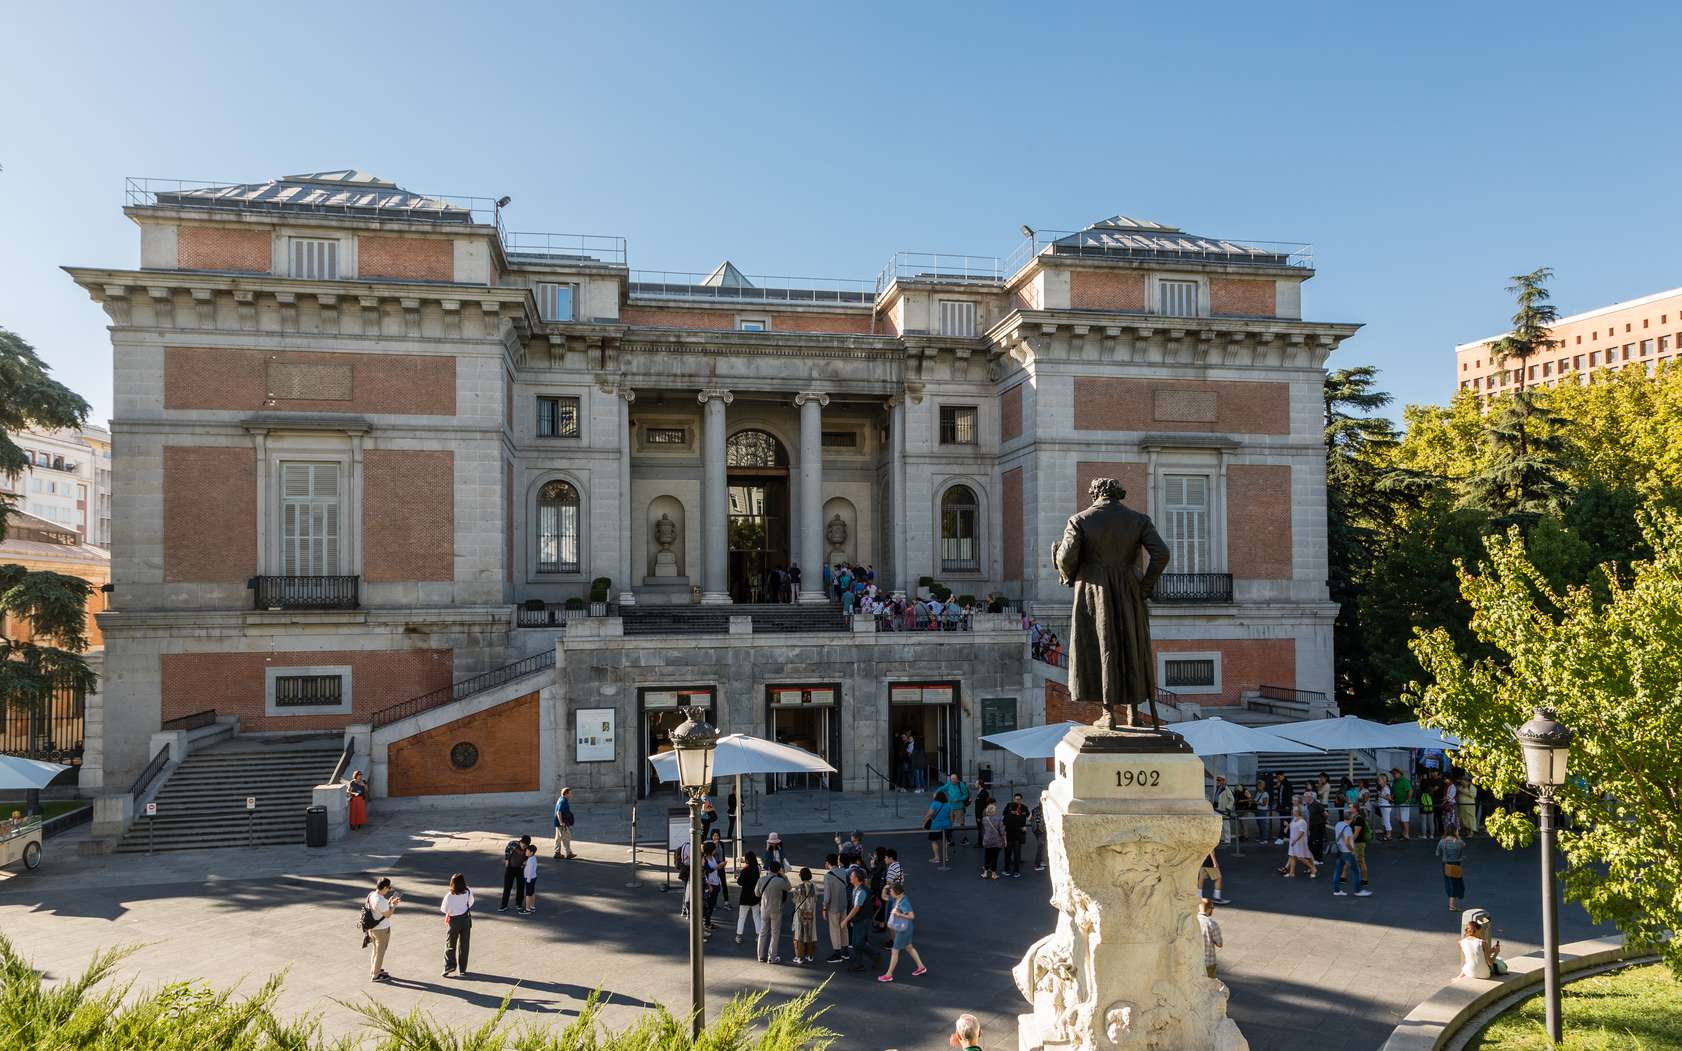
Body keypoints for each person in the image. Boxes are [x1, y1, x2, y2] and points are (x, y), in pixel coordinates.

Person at [878, 880, 928, 981]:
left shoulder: (903, 902)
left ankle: (888, 975)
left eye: (891, 891)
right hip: (906, 928)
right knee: (909, 948)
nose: (890, 893)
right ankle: (921, 967)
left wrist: (898, 914)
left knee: (894, 951)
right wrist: (885, 888)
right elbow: (884, 897)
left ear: (897, 892)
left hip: (903, 930)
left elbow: (911, 916)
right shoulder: (897, 898)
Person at [844, 866, 881, 972]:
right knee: (856, 942)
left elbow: (856, 908)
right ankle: (859, 963)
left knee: (858, 942)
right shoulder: (856, 888)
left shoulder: (861, 891)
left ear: (856, 878)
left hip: (863, 919)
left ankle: (873, 956)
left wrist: (846, 920)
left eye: (851, 875)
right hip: (858, 919)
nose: (849, 877)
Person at [362, 877, 399, 982]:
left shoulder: (372, 895)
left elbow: (380, 909)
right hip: (381, 930)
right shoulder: (380, 900)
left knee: (375, 951)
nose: (389, 890)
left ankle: (375, 969)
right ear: (385, 887)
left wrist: (389, 902)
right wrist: (394, 906)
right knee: (380, 953)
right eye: (389, 888)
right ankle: (376, 975)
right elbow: (387, 914)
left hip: (372, 929)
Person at [1329, 808, 1370, 897]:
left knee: (1338, 870)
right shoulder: (1347, 828)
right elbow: (1347, 842)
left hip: (1340, 851)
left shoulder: (1338, 824)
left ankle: (1336, 890)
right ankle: (1358, 891)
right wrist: (1352, 850)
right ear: (1351, 817)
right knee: (1356, 871)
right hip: (1347, 852)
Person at [756, 860, 791, 964]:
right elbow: (789, 887)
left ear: (769, 869)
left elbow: (756, 893)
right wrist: (784, 876)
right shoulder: (780, 881)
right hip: (776, 909)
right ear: (779, 870)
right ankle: (772, 957)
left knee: (762, 932)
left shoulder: (761, 879)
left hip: (764, 909)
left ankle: (760, 956)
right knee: (775, 934)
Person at [440, 872, 474, 977]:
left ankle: (449, 966)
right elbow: (471, 902)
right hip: (465, 919)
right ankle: (462, 968)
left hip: (454, 921)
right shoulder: (468, 891)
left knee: (450, 943)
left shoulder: (449, 895)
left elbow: (443, 909)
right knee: (464, 944)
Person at [822, 854, 851, 963]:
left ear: (828, 863)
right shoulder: (843, 872)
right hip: (843, 905)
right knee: (844, 928)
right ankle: (845, 952)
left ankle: (837, 953)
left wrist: (824, 908)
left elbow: (827, 896)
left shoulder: (828, 876)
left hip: (833, 907)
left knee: (834, 929)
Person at [1279, 805, 1318, 878]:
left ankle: (1313, 869)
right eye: (1293, 810)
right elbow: (1292, 827)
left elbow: (1302, 832)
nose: (1292, 811)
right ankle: (1292, 873)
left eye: (1294, 810)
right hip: (1293, 841)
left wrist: (1295, 840)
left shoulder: (1302, 821)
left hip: (1299, 841)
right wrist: (1287, 826)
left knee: (1301, 857)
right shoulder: (1294, 819)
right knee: (1293, 856)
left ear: (1298, 812)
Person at [791, 866, 820, 965]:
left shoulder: (798, 888)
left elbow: (795, 900)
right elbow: (816, 899)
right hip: (811, 913)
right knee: (811, 933)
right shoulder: (814, 887)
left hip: (800, 914)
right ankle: (810, 955)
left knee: (799, 934)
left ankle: (799, 956)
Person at [735, 851, 763, 944]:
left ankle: (739, 936)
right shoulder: (757, 868)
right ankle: (758, 935)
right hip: (755, 896)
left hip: (745, 897)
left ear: (747, 860)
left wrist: (741, 873)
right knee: (756, 916)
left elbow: (739, 882)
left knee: (742, 917)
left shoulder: (745, 870)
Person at [1437, 826, 1467, 911]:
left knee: (1449, 883)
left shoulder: (1442, 842)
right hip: (1456, 864)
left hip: (1446, 865)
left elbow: (1437, 853)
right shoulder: (1459, 842)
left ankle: (1451, 904)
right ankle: (1452, 905)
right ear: (1455, 832)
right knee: (1457, 883)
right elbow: (1464, 845)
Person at [499, 834, 532, 912]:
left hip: (520, 869)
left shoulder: (528, 848)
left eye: (526, 846)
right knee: (507, 887)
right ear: (521, 842)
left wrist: (526, 861)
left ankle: (519, 904)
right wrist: (506, 859)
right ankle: (504, 905)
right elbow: (507, 850)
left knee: (520, 887)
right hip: (510, 868)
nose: (524, 847)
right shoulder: (513, 844)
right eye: (524, 845)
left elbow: (531, 854)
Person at [1002, 793, 1030, 877]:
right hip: (1017, 837)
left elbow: (1003, 825)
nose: (1017, 801)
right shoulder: (1020, 817)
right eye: (1016, 799)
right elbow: (1022, 824)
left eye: (1019, 799)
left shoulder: (1007, 817)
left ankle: (1007, 870)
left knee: (1008, 854)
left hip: (1009, 837)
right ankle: (1016, 871)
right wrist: (1022, 828)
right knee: (1016, 854)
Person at [925, 792, 955, 867]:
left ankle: (936, 857)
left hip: (936, 826)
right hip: (946, 825)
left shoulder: (934, 804)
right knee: (945, 841)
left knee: (934, 841)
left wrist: (924, 821)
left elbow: (929, 814)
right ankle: (946, 857)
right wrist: (950, 824)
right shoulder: (949, 805)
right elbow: (951, 817)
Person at [1198, 898, 1224, 979]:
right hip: (1208, 961)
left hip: (1193, 960)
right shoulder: (1212, 924)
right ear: (1209, 909)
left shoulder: (1193, 920)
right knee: (1210, 985)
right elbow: (1219, 943)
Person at [980, 803, 1005, 879]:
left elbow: (983, 830)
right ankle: (994, 874)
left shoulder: (984, 819)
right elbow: (1002, 831)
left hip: (987, 840)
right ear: (994, 811)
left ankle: (985, 873)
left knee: (987, 856)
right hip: (996, 841)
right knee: (994, 857)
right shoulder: (999, 819)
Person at [552, 787, 577, 860]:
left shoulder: (561, 799)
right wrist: (561, 822)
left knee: (558, 838)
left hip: (558, 822)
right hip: (561, 823)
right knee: (567, 837)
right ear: (566, 794)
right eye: (570, 793)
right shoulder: (563, 801)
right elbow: (558, 812)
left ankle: (557, 853)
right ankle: (568, 853)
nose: (571, 795)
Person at [1392, 767, 1414, 840]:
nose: (1393, 775)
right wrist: (1392, 797)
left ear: (1399, 773)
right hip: (1397, 802)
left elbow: (1410, 790)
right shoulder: (1394, 781)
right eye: (1393, 774)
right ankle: (1403, 833)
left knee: (1404, 819)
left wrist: (1408, 799)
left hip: (1404, 802)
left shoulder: (1404, 780)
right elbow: (1393, 791)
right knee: (1399, 819)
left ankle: (1406, 834)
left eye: (1395, 773)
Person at [1214, 776, 1235, 844]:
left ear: (1223, 781)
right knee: (1221, 825)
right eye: (1217, 780)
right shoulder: (1218, 788)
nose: (1218, 781)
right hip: (1218, 809)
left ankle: (1227, 840)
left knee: (1226, 825)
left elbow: (1232, 799)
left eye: (1219, 780)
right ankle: (1223, 838)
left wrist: (1228, 807)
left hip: (1224, 810)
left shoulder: (1226, 789)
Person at [521, 843, 539, 914]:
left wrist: (528, 880)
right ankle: (532, 907)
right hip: (533, 877)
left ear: (531, 853)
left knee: (528, 894)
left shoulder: (530, 860)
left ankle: (527, 909)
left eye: (527, 851)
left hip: (530, 879)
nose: (525, 852)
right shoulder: (533, 858)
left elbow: (530, 871)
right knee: (532, 893)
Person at [1030, 799, 1048, 871]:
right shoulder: (1046, 810)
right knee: (1040, 846)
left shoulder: (1034, 809)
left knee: (1041, 845)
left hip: (1035, 830)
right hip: (1041, 830)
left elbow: (1030, 819)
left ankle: (1041, 861)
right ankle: (1037, 865)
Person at [1377, 773, 1394, 841]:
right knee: (1385, 820)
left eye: (1379, 780)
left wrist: (1381, 796)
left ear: (1384, 780)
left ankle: (1389, 835)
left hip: (1385, 807)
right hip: (1383, 806)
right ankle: (1387, 834)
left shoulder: (1386, 788)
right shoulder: (1384, 788)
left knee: (1386, 821)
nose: (1378, 781)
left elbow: (1389, 798)